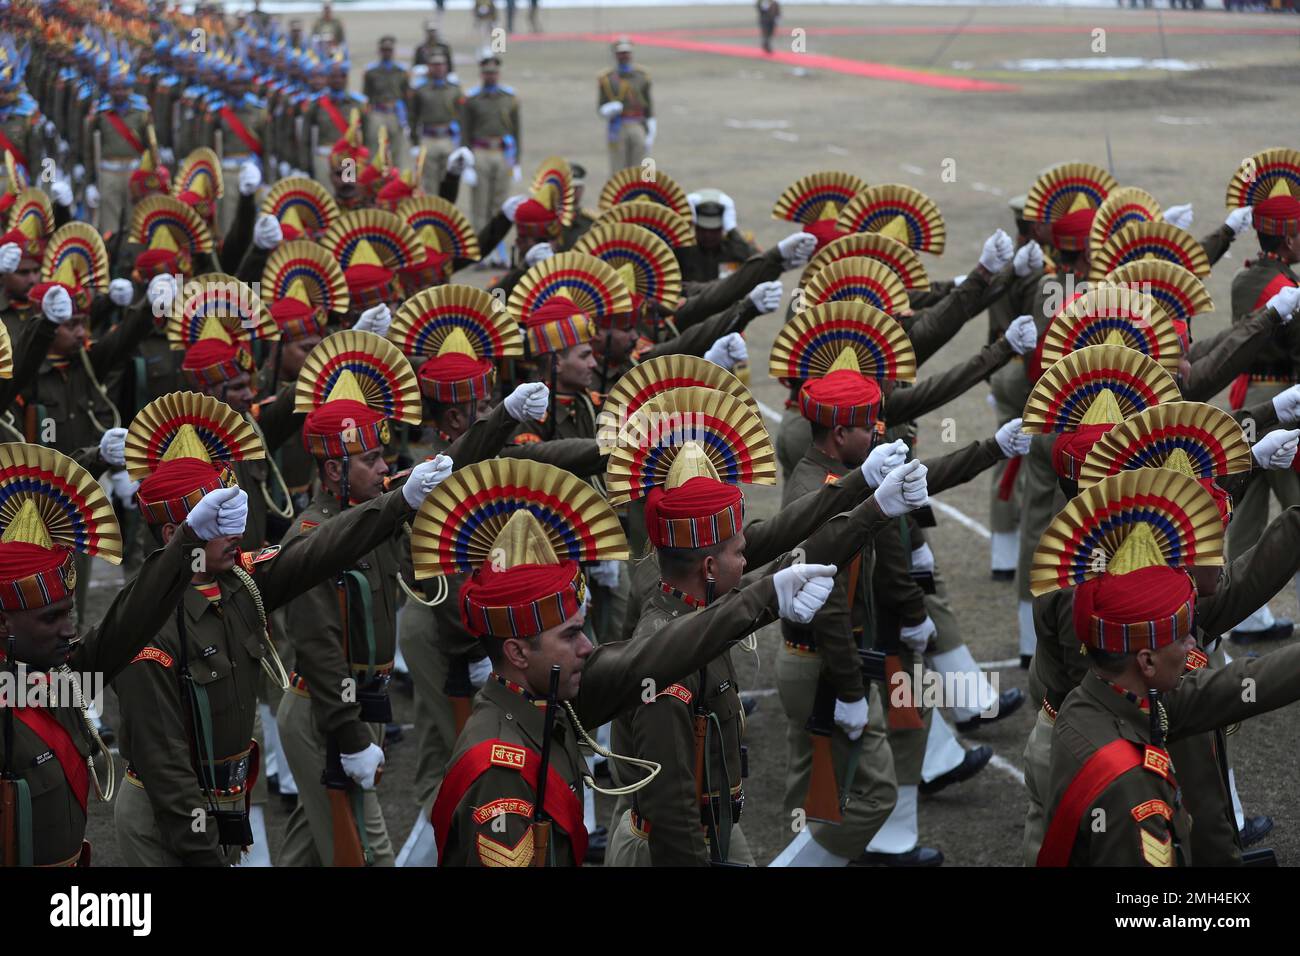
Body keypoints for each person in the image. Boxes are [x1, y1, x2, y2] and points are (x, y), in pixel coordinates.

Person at [424, 458, 853, 866]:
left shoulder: (544, 697)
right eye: (571, 635)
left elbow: (670, 648)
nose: (588, 647)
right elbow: (670, 806)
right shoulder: (501, 768)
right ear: (517, 652)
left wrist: (773, 593)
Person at [463, 53, 519, 235]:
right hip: (480, 152)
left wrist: (517, 161)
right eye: (487, 73)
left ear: (498, 74)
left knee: (499, 201)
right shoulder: (472, 99)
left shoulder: (509, 98)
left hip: (503, 153)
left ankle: (497, 247)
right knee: (480, 202)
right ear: (481, 74)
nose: (491, 76)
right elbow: (465, 131)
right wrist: (467, 162)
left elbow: (517, 131)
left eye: (494, 73)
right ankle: (481, 245)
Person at [597, 38, 653, 177]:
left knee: (640, 168)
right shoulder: (607, 79)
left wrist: (651, 127)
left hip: (638, 124)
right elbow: (600, 107)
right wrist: (609, 109)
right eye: (621, 53)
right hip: (618, 127)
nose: (624, 56)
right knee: (618, 169)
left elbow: (648, 106)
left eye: (627, 52)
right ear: (615, 55)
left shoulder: (642, 76)